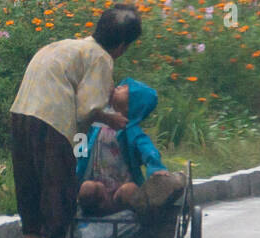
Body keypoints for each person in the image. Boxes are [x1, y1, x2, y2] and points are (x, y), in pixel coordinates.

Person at [9, 5, 142, 238]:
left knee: (30, 192)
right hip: (51, 121)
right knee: (59, 192)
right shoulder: (101, 58)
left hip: (20, 115)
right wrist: (112, 119)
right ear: (121, 46)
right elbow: (87, 109)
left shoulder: (67, 46)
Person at [76, 79, 183, 214]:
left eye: (123, 88)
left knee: (129, 191)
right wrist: (74, 166)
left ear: (130, 105)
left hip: (121, 190)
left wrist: (155, 166)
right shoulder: (97, 125)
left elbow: (147, 148)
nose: (119, 86)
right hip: (99, 190)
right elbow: (81, 145)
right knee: (87, 188)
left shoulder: (130, 130)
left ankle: (128, 215)